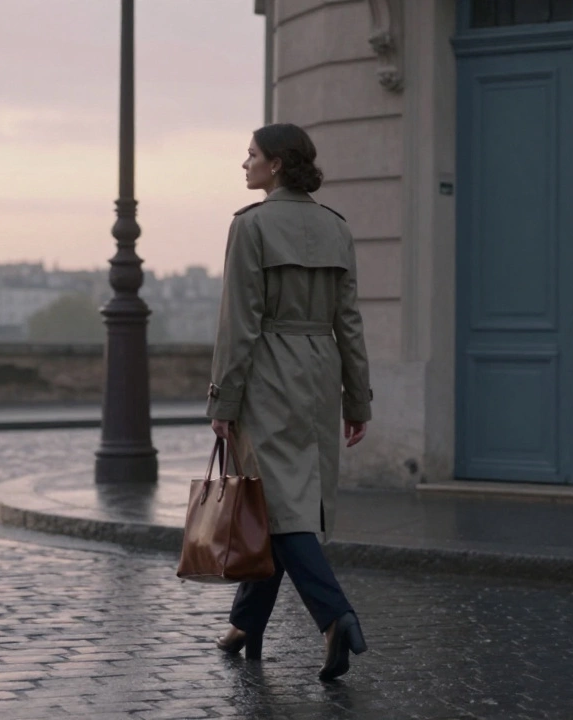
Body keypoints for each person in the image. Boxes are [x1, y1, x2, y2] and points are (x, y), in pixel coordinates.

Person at [206, 122, 373, 682]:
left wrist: (223, 401)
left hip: (269, 373)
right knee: (276, 502)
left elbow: (239, 324)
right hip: (321, 370)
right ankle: (245, 623)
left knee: (280, 509)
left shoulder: (250, 226)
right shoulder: (336, 228)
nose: (243, 162)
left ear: (276, 164)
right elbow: (348, 321)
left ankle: (335, 617)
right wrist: (358, 398)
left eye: (251, 154)